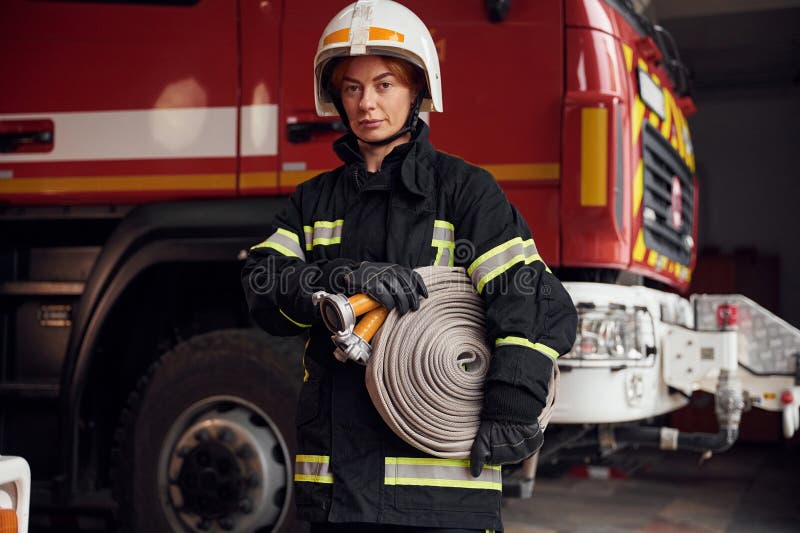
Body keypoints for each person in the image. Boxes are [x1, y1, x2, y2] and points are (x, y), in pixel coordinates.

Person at [241, 1, 578, 531]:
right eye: (351, 87)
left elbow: (533, 298)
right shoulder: (313, 201)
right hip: (336, 495)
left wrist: (514, 400)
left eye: (384, 84)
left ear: (419, 88)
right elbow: (263, 285)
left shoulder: (464, 190)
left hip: (442, 499)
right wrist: (342, 276)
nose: (367, 103)